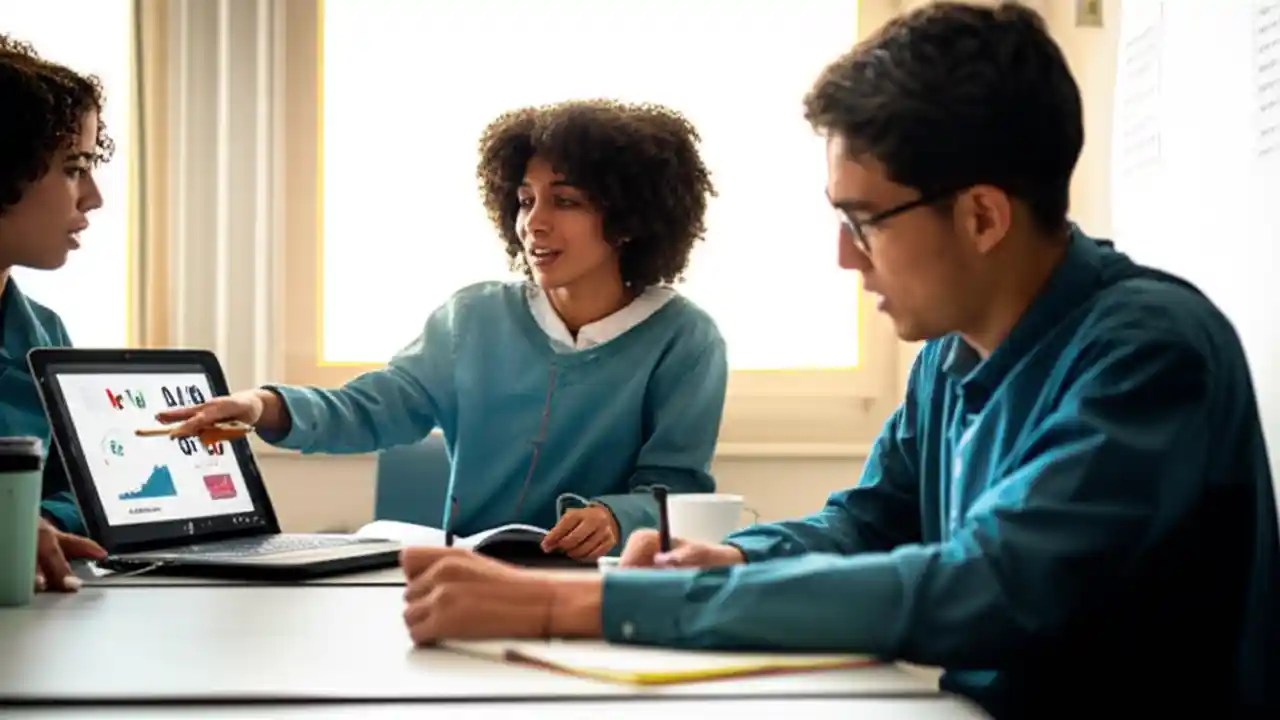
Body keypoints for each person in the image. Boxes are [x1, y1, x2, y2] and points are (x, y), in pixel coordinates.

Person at [394, 3, 1280, 716]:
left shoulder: (1150, 354)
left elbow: (985, 585)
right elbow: (866, 521)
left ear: (981, 217)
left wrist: (571, 605)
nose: (845, 260)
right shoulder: (952, 354)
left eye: (865, 222)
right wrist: (735, 561)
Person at [162, 99, 727, 561]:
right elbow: (373, 407)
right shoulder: (473, 318)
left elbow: (674, 488)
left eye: (565, 201)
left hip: (598, 584)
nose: (534, 223)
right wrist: (263, 406)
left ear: (630, 218)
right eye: (525, 200)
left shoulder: (685, 340)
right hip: (468, 577)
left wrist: (612, 517)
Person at [0, 34, 110, 591]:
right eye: (73, 167)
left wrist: (39, 523)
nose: (93, 196)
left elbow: (84, 492)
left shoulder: (44, 334)